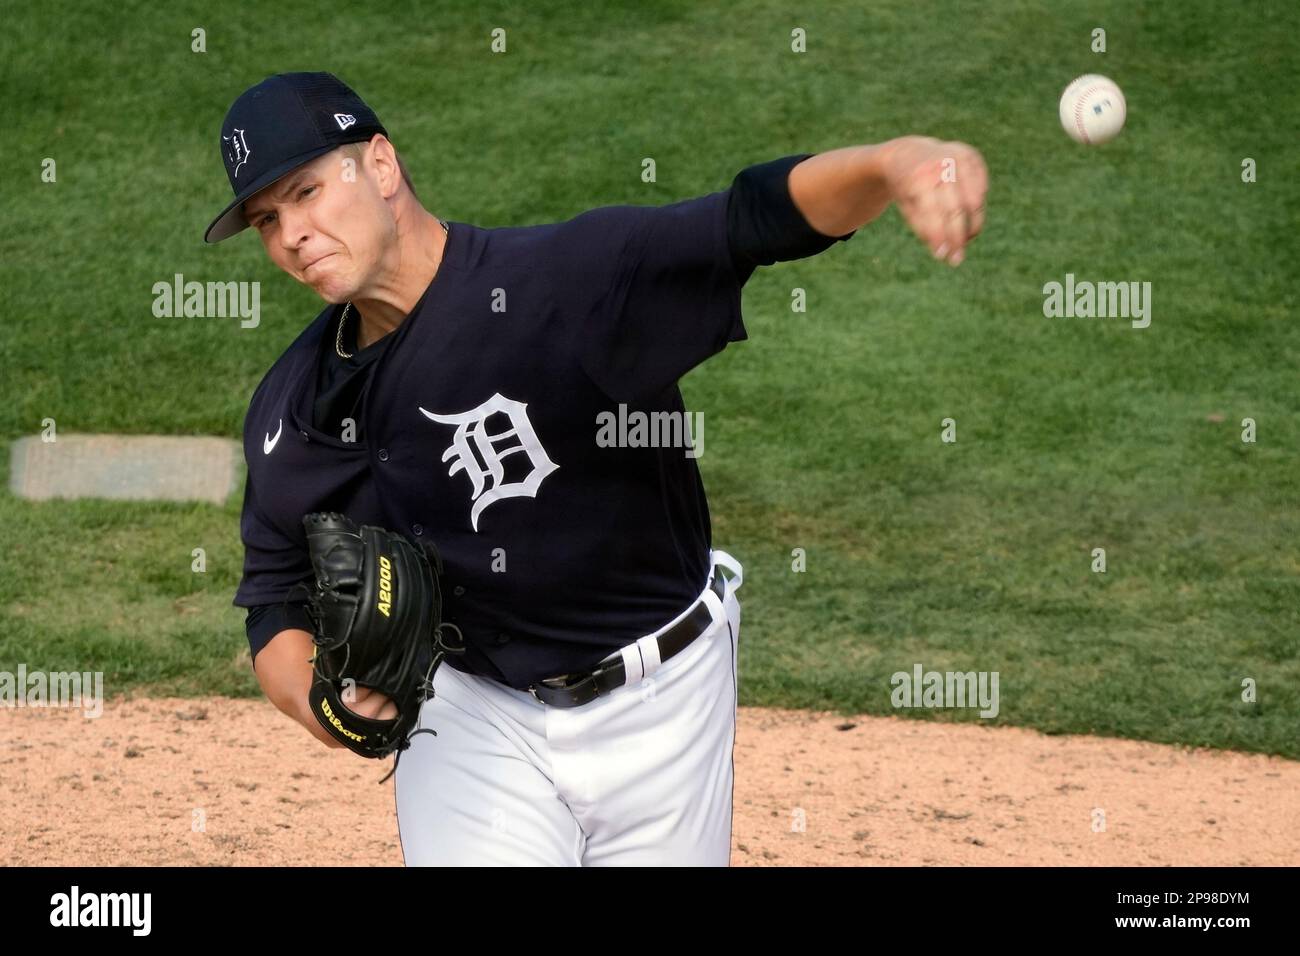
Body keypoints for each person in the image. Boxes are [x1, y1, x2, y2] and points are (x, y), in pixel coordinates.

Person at [208, 72, 986, 866]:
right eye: (268, 220)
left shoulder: (562, 283)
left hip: (665, 704)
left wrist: (893, 164)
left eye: (306, 192)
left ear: (380, 166)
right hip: (474, 717)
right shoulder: (291, 409)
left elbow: (751, 218)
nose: (291, 234)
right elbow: (273, 598)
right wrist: (325, 703)